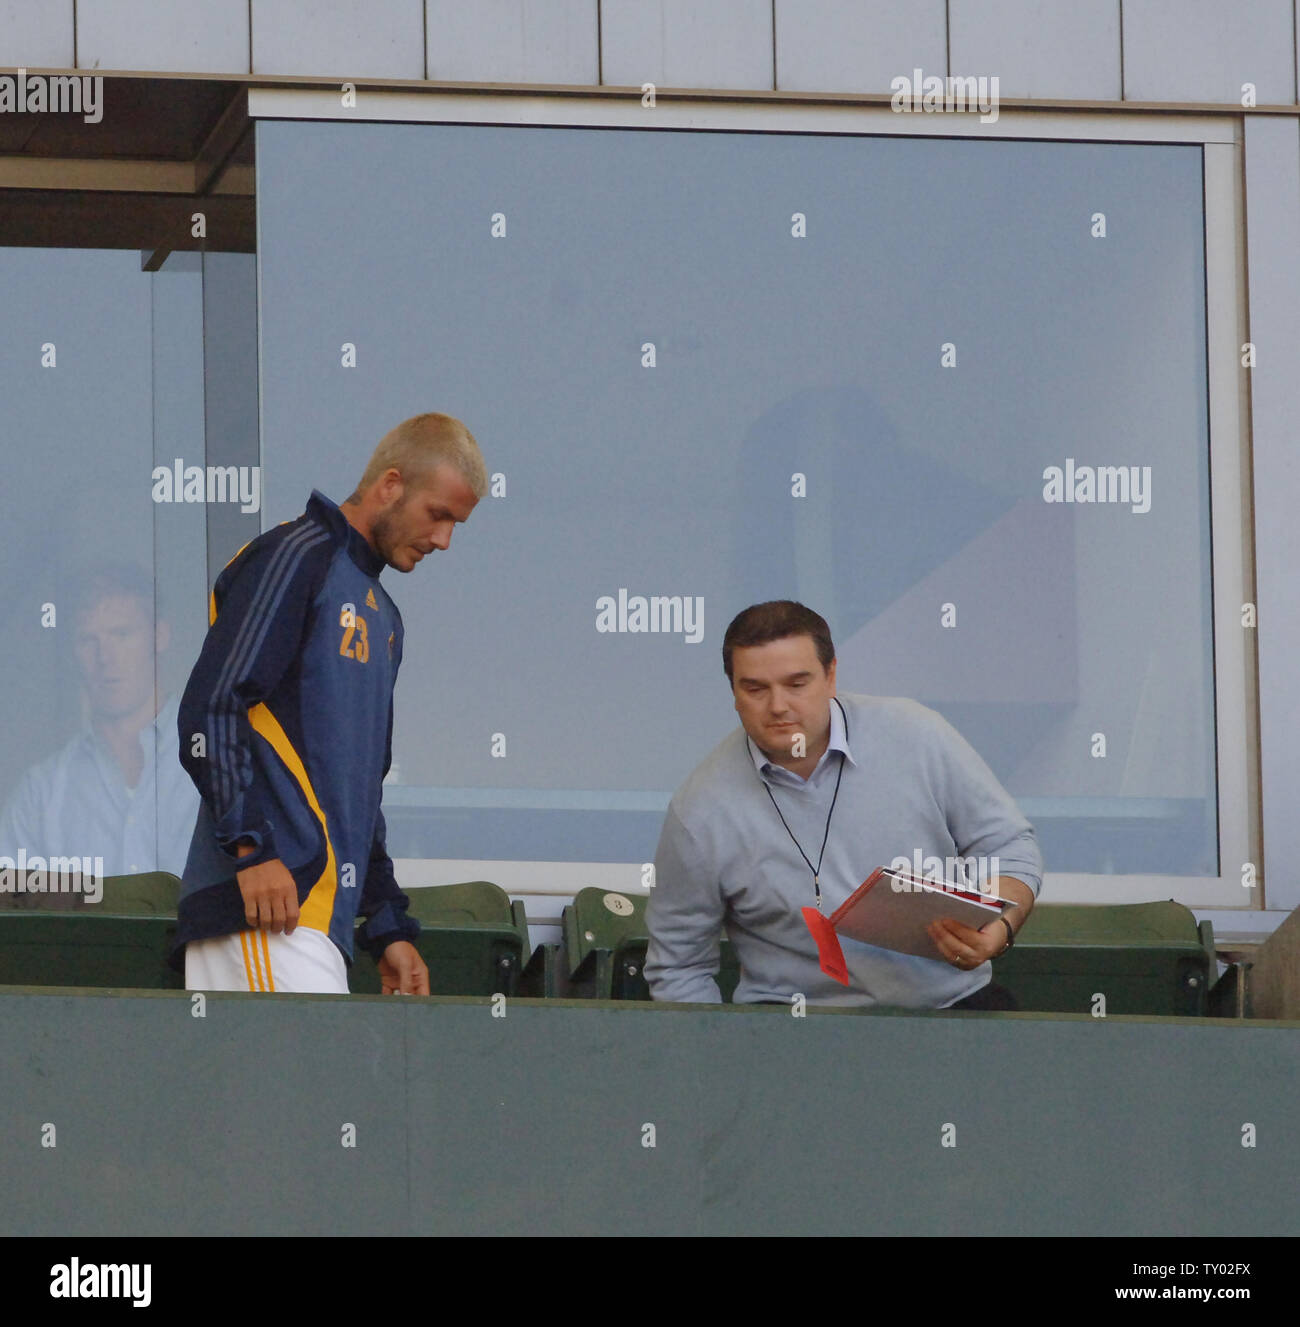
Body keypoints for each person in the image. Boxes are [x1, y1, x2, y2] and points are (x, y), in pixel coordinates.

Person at [173, 413, 486, 994]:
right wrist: (251, 849)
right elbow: (212, 708)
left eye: (456, 525)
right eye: (438, 514)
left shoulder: (384, 617)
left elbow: (356, 792)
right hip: (265, 913)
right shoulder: (297, 554)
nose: (443, 540)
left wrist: (386, 921)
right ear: (389, 485)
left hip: (316, 924)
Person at [645, 600, 1042, 1008]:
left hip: (949, 1007)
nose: (778, 706)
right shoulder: (699, 809)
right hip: (791, 1031)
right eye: (756, 689)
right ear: (733, 693)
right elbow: (678, 968)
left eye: (797, 684)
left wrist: (1001, 928)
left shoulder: (917, 736)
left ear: (831, 676)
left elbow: (1008, 848)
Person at [0, 564, 199, 893]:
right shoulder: (42, 793)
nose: (105, 656)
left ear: (159, 636)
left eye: (121, 634)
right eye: (88, 640)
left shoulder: (218, 761)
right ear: (72, 652)